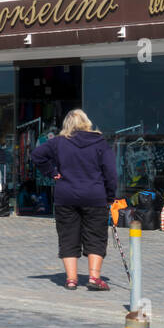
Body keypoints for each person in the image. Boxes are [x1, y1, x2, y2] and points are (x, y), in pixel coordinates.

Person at [32, 108, 117, 291]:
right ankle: (94, 277)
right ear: (86, 122)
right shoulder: (99, 142)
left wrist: (52, 173)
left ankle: (71, 279)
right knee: (96, 236)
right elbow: (110, 172)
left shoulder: (59, 142)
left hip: (66, 196)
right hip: (94, 196)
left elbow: (37, 155)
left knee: (68, 237)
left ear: (66, 125)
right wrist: (110, 195)